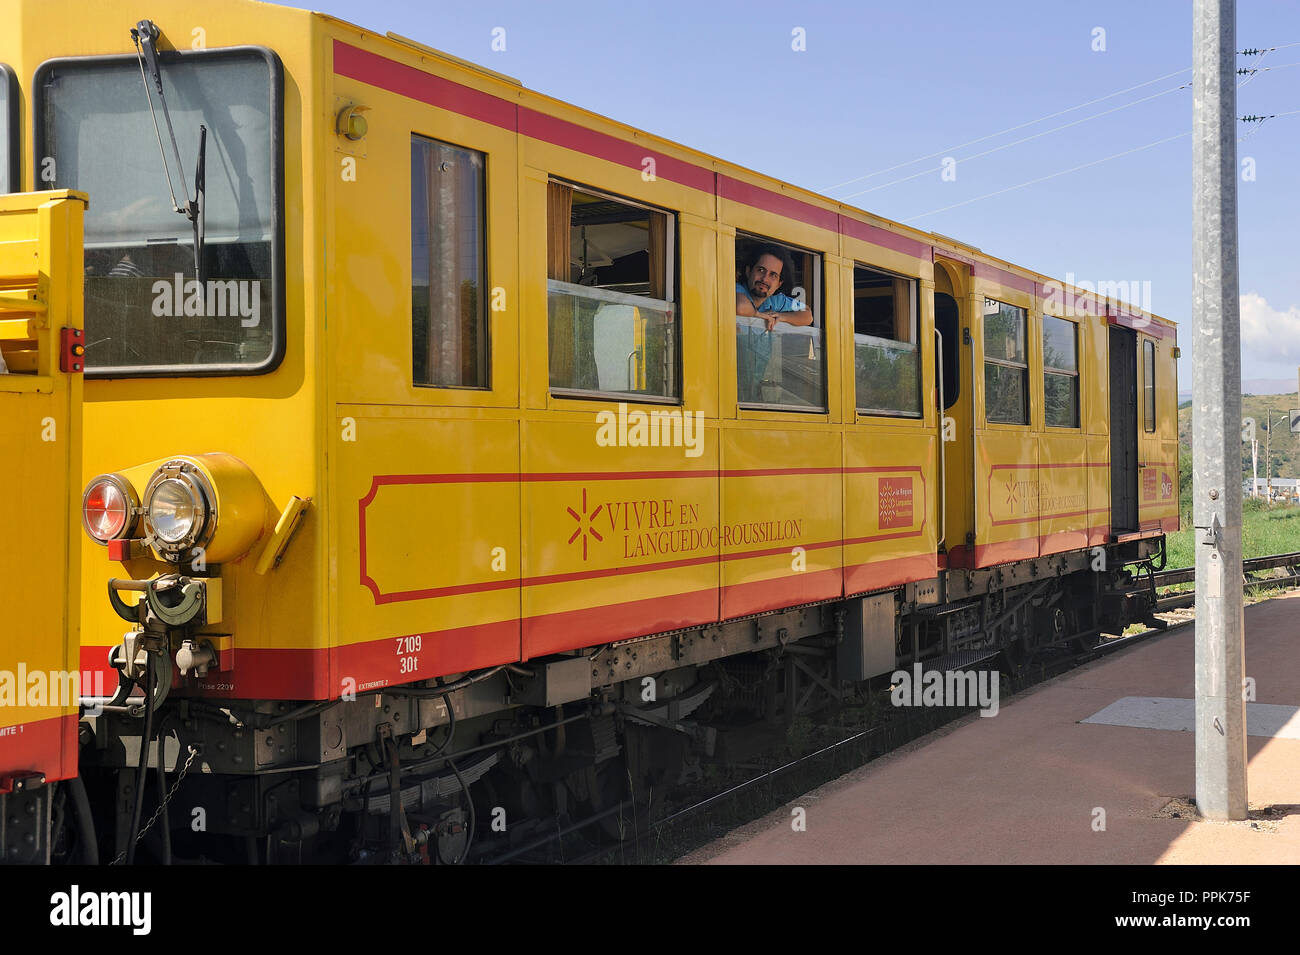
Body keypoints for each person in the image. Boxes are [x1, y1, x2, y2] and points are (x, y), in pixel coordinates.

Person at [734, 246, 812, 401]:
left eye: (773, 275)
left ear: (779, 283)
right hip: (727, 385)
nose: (765, 279)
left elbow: (807, 314)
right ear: (749, 271)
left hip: (754, 389)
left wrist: (782, 317)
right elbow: (740, 307)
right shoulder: (738, 289)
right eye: (761, 270)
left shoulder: (778, 301)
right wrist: (759, 315)